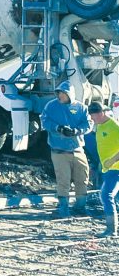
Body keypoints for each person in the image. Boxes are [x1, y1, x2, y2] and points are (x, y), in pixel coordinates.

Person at [40, 80, 90, 218]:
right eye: (58, 93)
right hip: (59, 151)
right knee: (63, 180)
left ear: (70, 94)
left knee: (82, 179)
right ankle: (63, 208)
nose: (59, 96)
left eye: (62, 93)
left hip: (78, 150)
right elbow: (44, 121)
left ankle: (80, 207)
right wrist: (58, 128)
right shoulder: (51, 106)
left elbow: (88, 123)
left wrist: (76, 131)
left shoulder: (81, 108)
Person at [87, 101, 119, 238]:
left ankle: (111, 229)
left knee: (106, 194)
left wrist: (112, 160)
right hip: (107, 168)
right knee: (113, 196)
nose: (92, 120)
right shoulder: (99, 126)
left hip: (116, 167)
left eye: (94, 117)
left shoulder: (114, 127)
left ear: (101, 113)